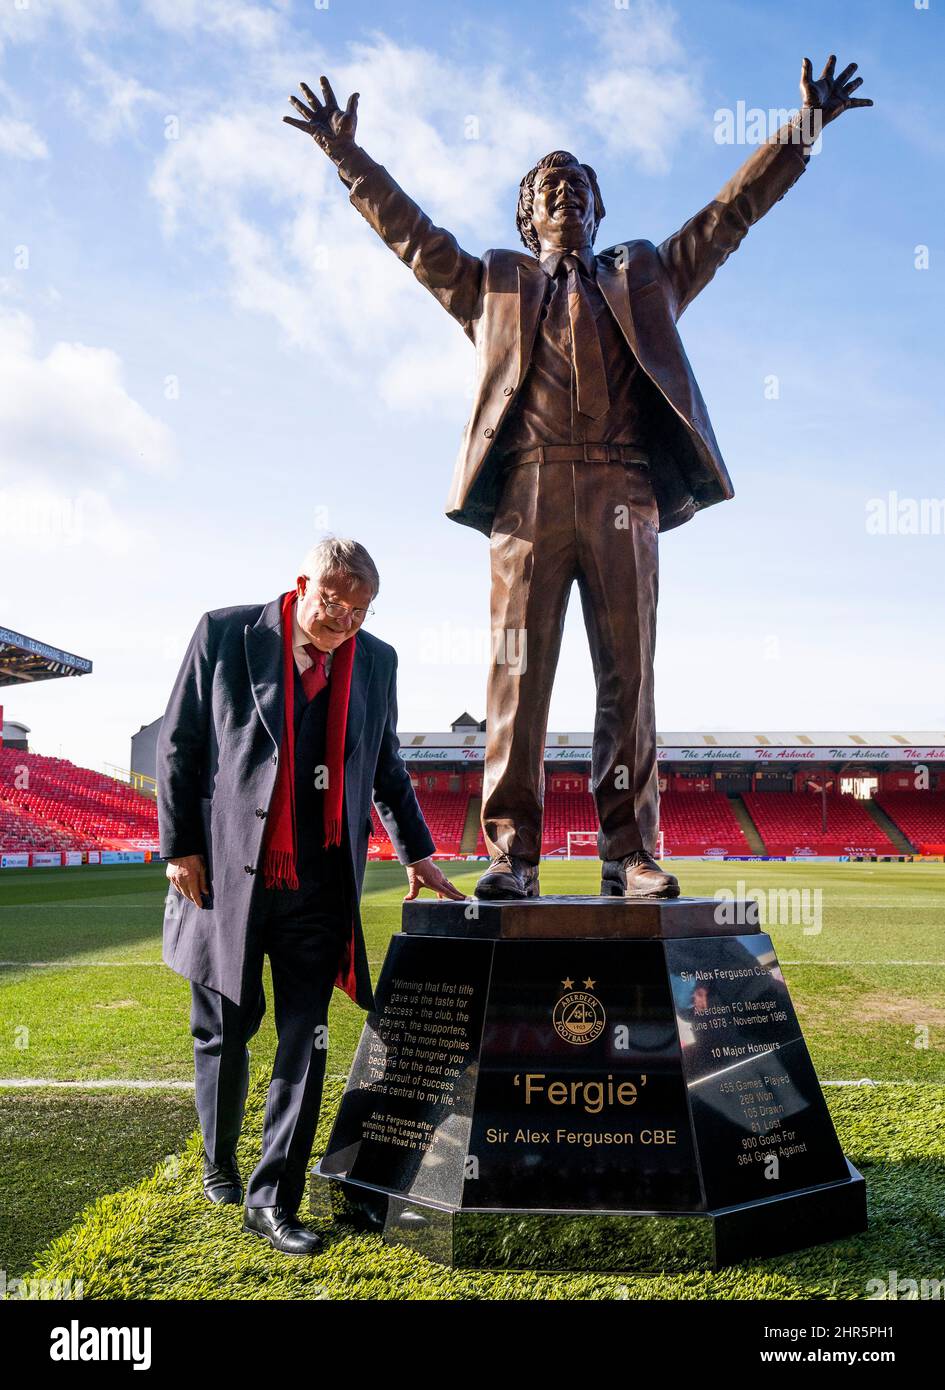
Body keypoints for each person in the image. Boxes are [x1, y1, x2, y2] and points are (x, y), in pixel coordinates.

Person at [283, 56, 871, 902]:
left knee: (628, 678)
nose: (565, 195)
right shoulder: (492, 283)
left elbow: (729, 214)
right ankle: (511, 856)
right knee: (515, 680)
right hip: (525, 496)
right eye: (548, 189)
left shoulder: (647, 275)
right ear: (527, 217)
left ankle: (629, 853)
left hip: (624, 493)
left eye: (579, 188)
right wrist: (347, 156)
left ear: (598, 211)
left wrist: (802, 127)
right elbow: (409, 234)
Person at [157, 537, 464, 1255]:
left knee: (307, 1039)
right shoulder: (225, 633)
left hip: (321, 885)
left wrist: (417, 851)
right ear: (303, 585)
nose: (344, 621)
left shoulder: (377, 661)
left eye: (360, 611)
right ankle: (218, 1163)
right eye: (333, 604)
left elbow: (386, 763)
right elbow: (180, 742)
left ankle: (272, 1201)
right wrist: (179, 848)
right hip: (227, 877)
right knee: (224, 1030)